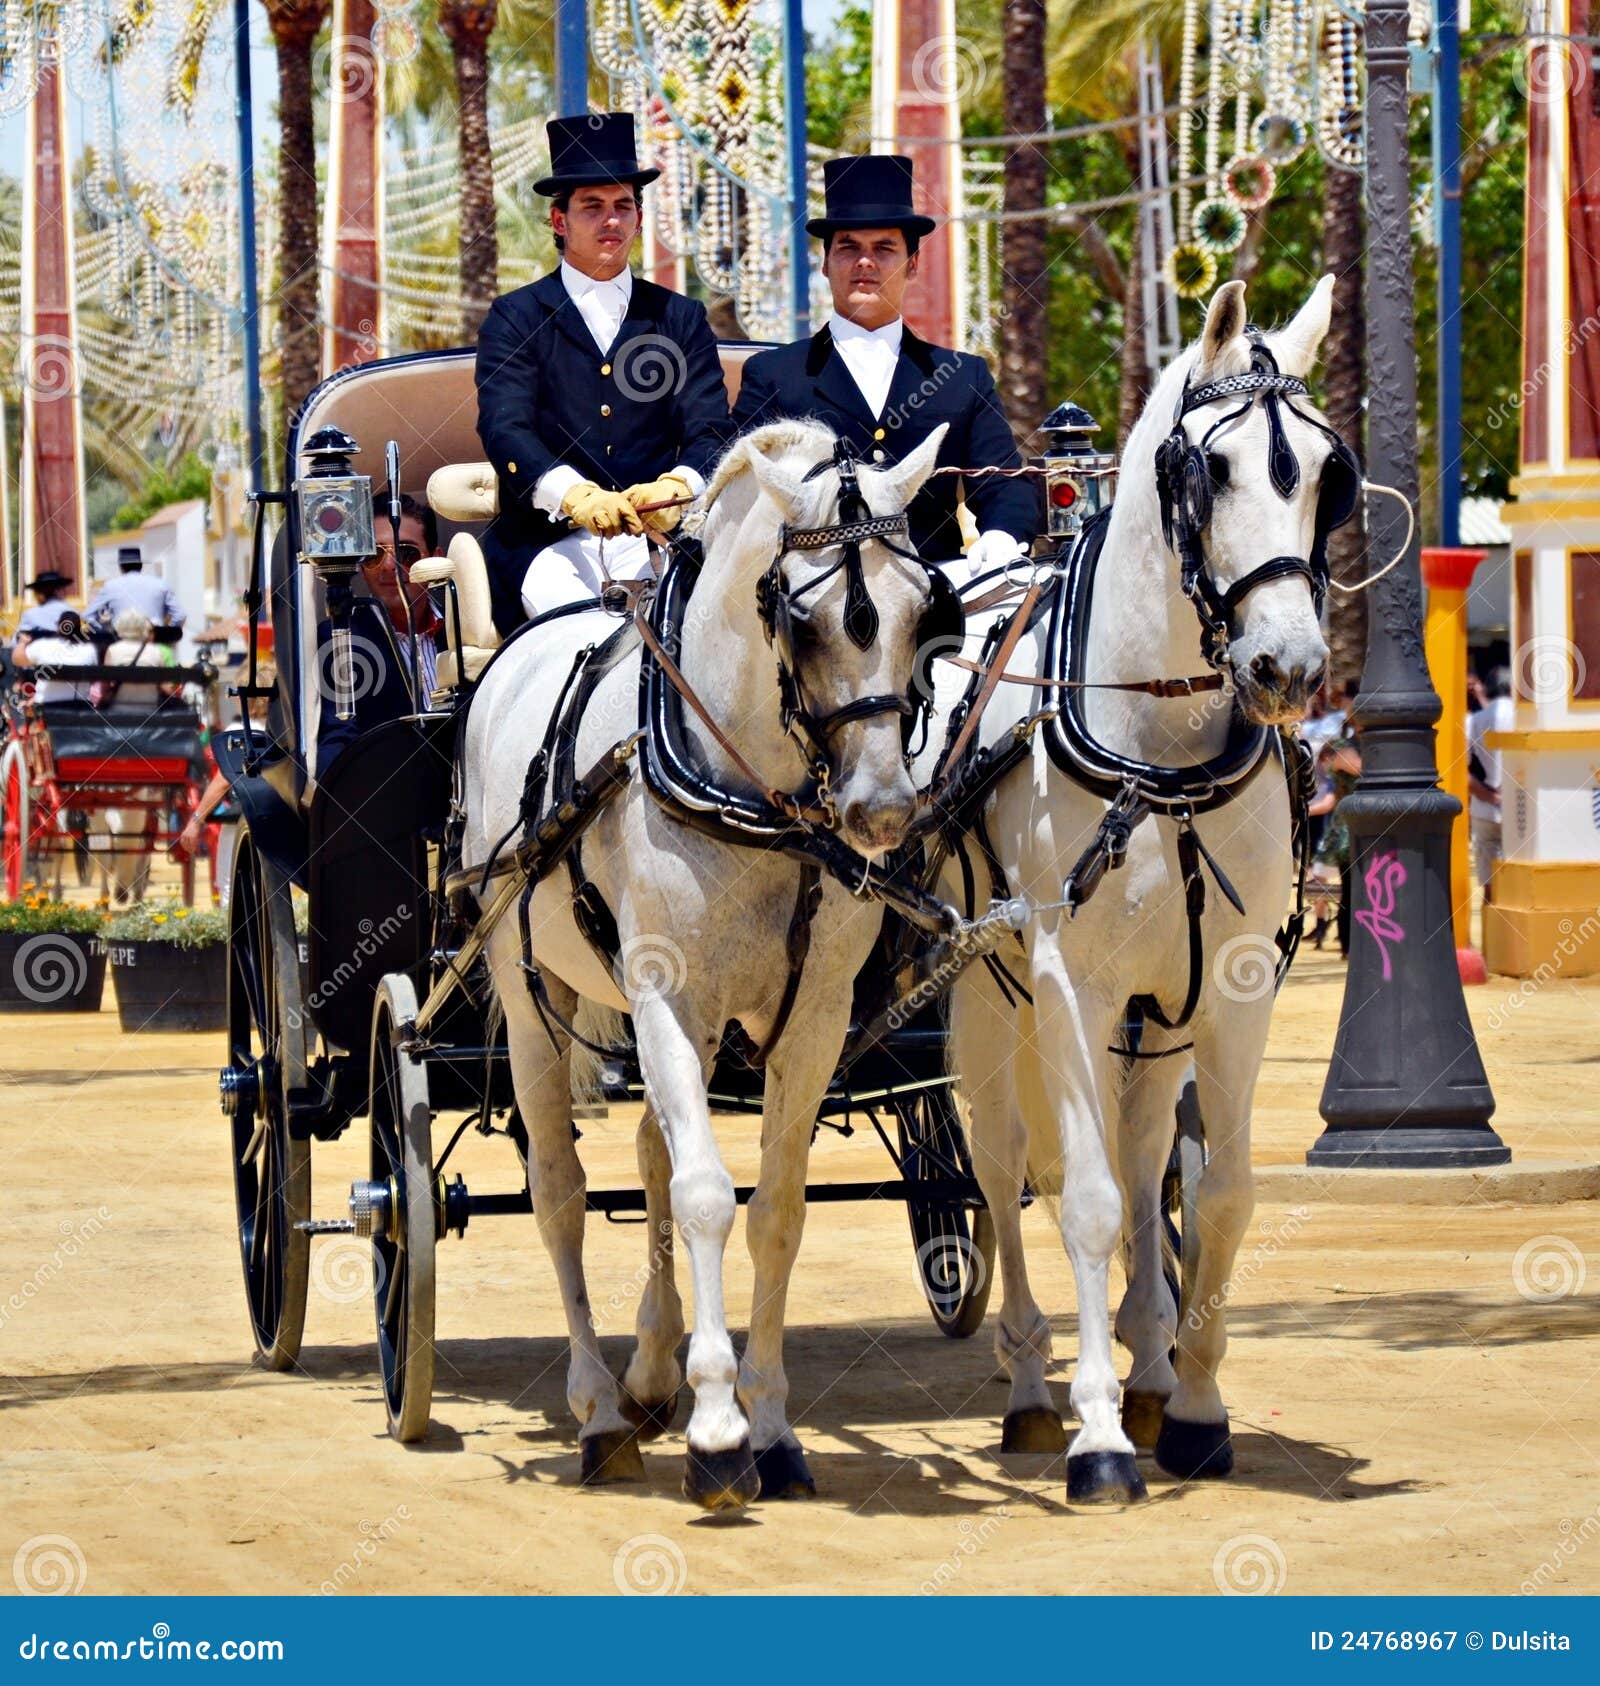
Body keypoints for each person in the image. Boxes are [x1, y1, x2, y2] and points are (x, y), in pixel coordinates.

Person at [474, 111, 733, 635]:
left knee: (674, 633)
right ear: (559, 220)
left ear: (638, 217)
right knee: (581, 633)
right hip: (548, 541)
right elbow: (506, 427)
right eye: (592, 207)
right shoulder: (516, 316)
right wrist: (574, 496)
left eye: (623, 206)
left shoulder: (679, 317)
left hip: (657, 537)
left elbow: (710, 429)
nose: (611, 220)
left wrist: (673, 492)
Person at [731, 154, 1041, 587]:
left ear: (912, 264)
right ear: (825, 264)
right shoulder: (774, 376)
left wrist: (1002, 535)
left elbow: (1004, 483)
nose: (865, 262)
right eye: (849, 248)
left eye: (883, 249)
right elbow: (738, 492)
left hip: (934, 597)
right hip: (813, 606)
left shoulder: (961, 377)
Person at [315, 495, 443, 779]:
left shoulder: (466, 627)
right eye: (374, 555)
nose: (388, 566)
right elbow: (338, 737)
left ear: (434, 559)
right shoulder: (341, 638)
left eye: (405, 553)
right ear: (362, 565)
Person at [1467, 665, 1516, 895]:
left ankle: (1491, 927)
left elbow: (1461, 769)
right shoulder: (1523, 716)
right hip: (1519, 808)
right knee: (1517, 883)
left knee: (1490, 887)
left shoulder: (1474, 720)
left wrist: (1487, 795)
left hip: (1484, 807)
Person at [85, 545, 186, 636]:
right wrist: (163, 635)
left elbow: (88, 616)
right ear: (141, 565)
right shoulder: (160, 584)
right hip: (153, 640)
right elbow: (180, 615)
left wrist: (106, 635)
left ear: (121, 567)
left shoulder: (110, 586)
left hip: (122, 640)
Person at [13, 609, 96, 704]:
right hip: (81, 705)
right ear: (79, 628)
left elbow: (17, 660)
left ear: (59, 627)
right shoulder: (90, 650)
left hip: (46, 707)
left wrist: (22, 642)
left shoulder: (43, 646)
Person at [11, 570, 76, 660]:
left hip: (39, 662)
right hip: (71, 661)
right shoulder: (74, 612)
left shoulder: (30, 615)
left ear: (40, 594)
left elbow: (16, 642)